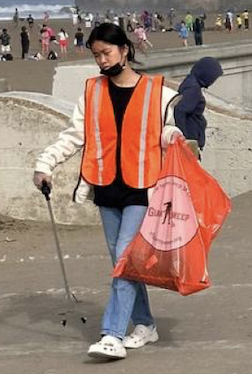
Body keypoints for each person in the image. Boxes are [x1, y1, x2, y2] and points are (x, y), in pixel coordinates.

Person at [31, 22, 185, 360]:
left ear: (125, 50)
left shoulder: (156, 91)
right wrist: (45, 164)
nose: (101, 60)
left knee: (125, 257)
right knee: (122, 260)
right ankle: (145, 324)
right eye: (96, 55)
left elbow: (169, 129)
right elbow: (74, 135)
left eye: (107, 53)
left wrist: (173, 136)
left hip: (142, 187)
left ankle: (112, 334)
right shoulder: (92, 92)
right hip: (105, 187)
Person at [172, 56, 223, 158]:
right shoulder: (193, 89)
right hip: (189, 144)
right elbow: (180, 111)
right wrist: (184, 141)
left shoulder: (190, 83)